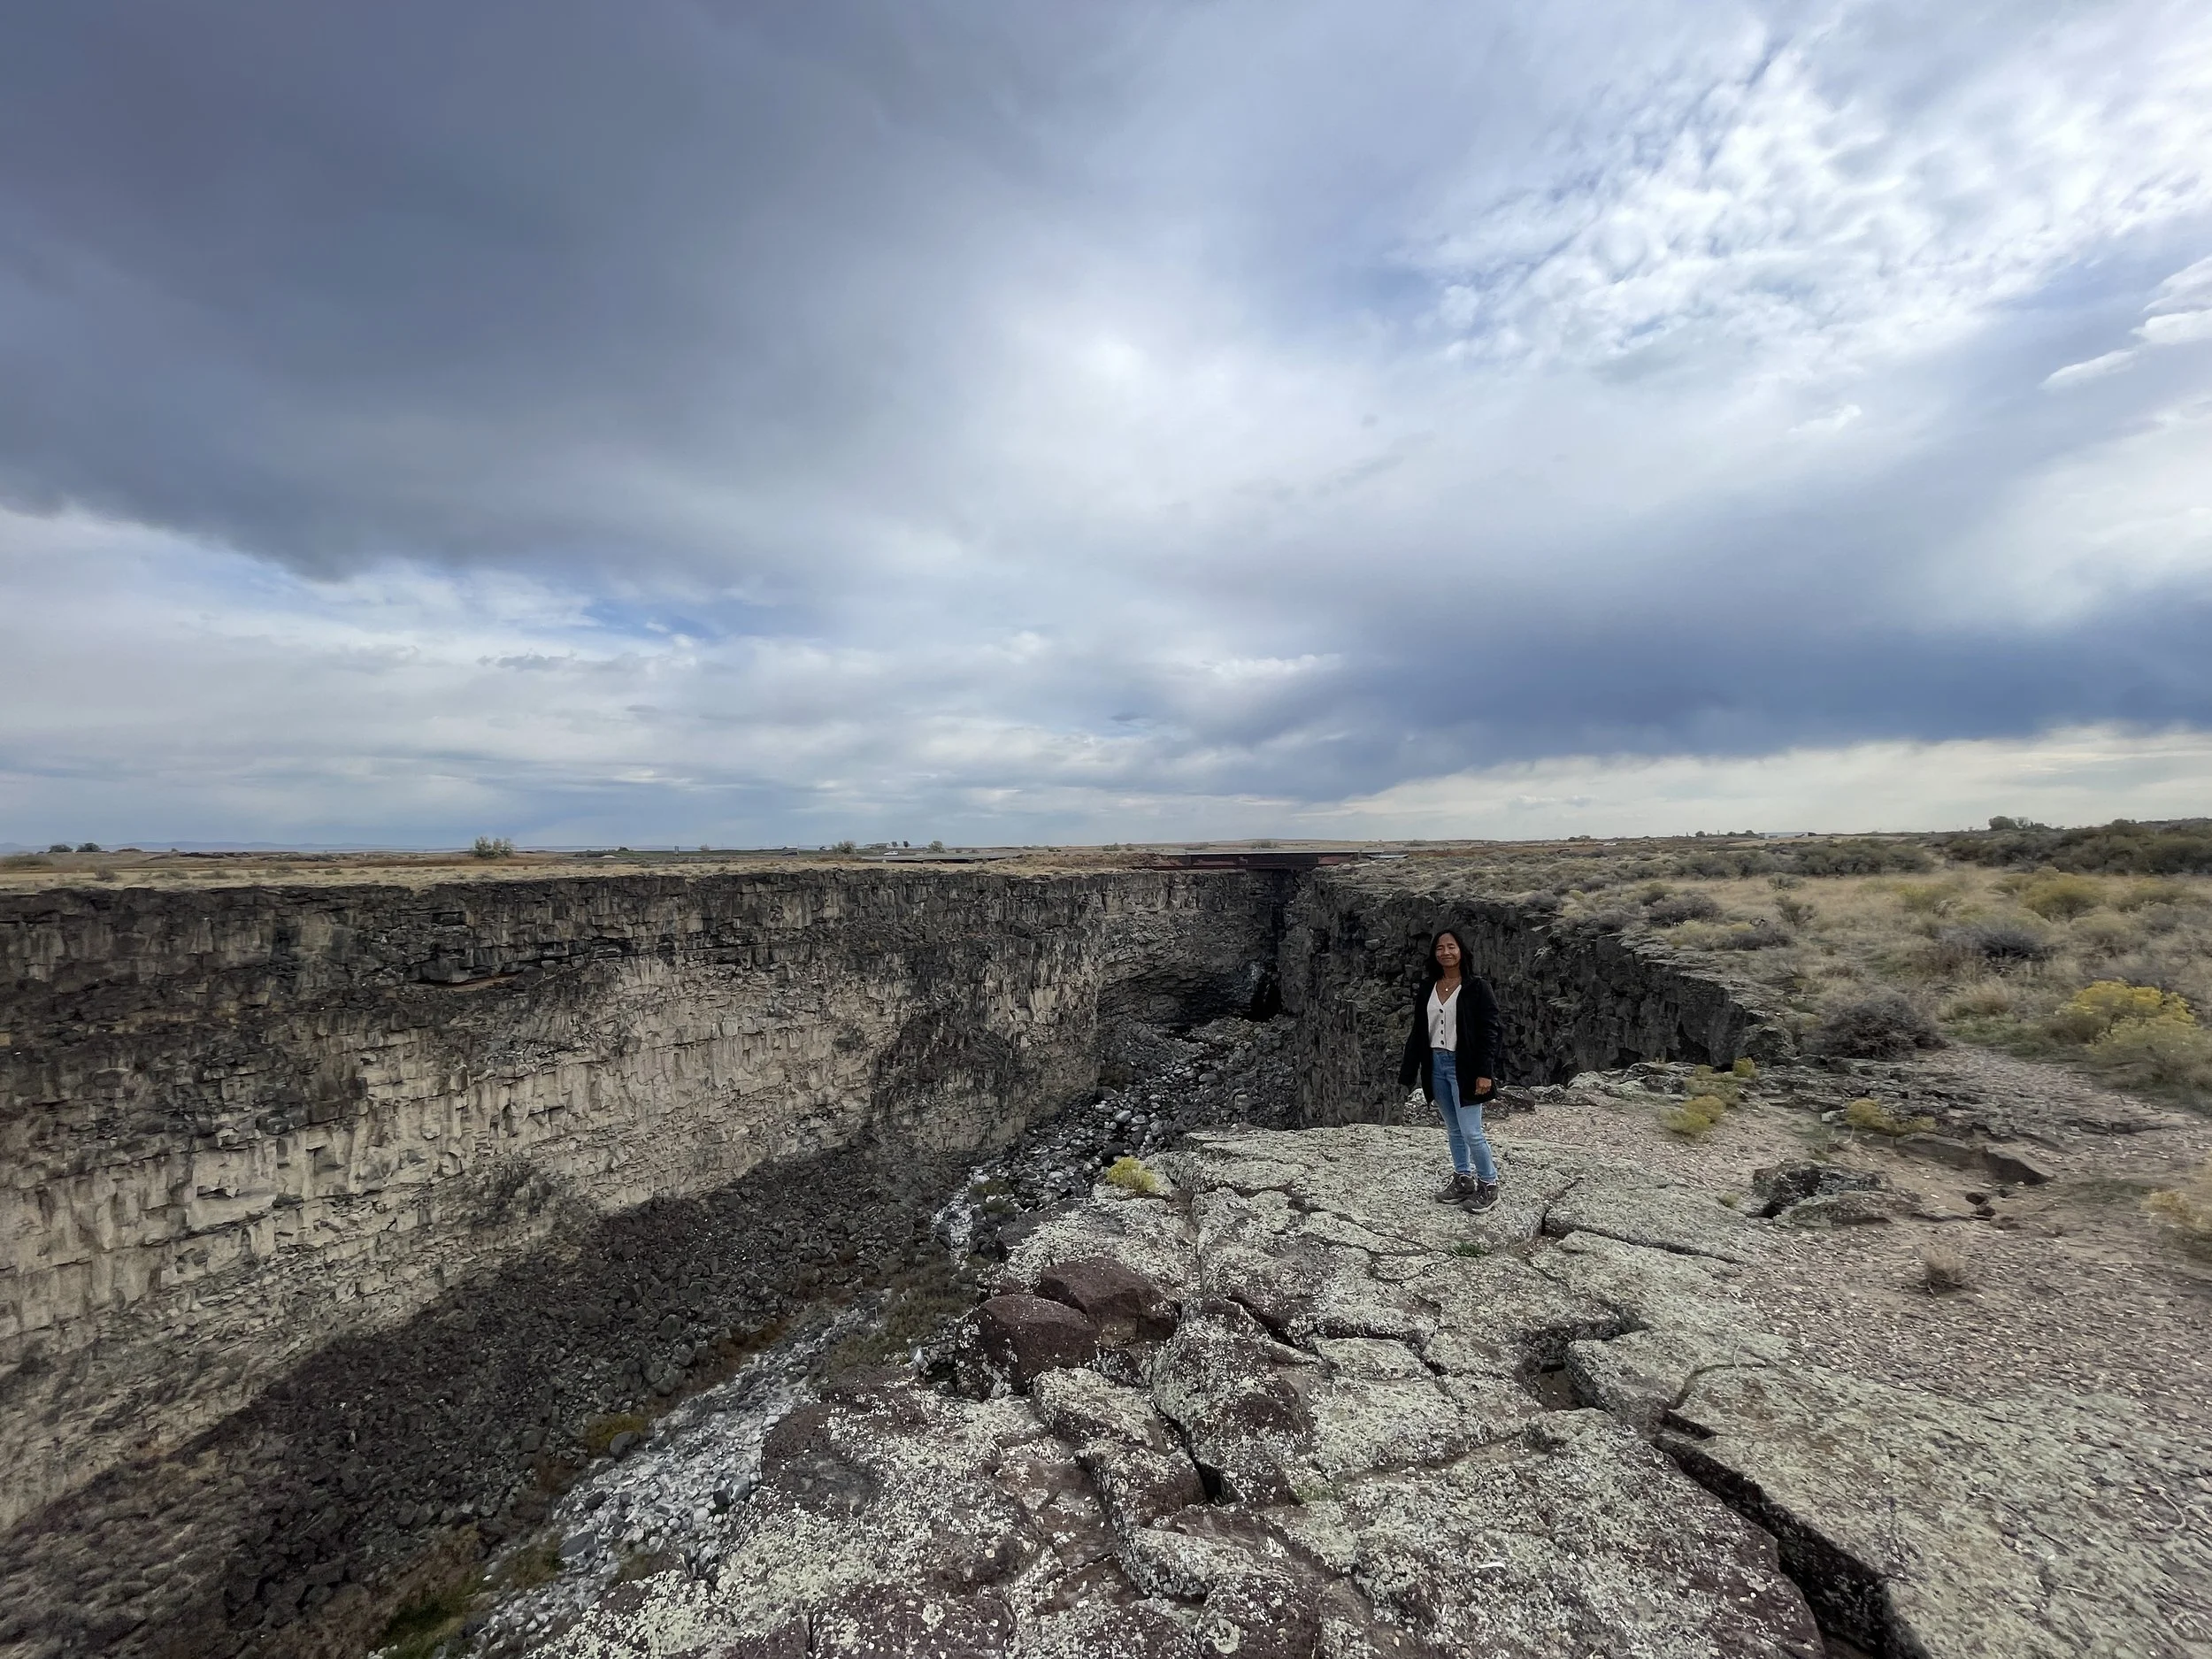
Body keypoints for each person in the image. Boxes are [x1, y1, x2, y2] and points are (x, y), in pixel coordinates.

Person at [1397, 927, 1502, 1210]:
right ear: (1434, 954)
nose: (1446, 952)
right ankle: (1462, 1178)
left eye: (1451, 947)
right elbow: (1419, 1031)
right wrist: (1408, 1073)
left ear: (1461, 951)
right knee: (1453, 1129)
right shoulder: (1428, 987)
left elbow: (1490, 1031)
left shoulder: (1477, 987)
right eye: (1440, 948)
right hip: (1436, 1064)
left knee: (1472, 1132)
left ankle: (1489, 1184)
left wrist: (1484, 1072)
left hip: (1465, 1067)